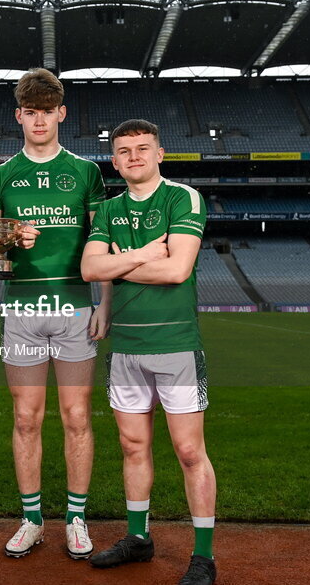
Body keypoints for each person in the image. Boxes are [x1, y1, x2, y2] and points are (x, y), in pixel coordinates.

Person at [0, 68, 110, 559]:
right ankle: (31, 518)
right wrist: (12, 234)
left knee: (77, 415)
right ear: (19, 115)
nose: (38, 120)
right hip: (22, 311)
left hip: (75, 308)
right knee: (27, 417)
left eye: (46, 112)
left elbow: (103, 244)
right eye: (29, 112)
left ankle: (76, 518)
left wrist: (104, 303)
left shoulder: (86, 172)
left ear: (62, 114)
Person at [80, 119, 217, 585]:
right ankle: (139, 539)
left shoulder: (182, 197)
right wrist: (142, 256)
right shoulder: (108, 209)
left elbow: (177, 270)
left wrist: (118, 263)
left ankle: (203, 556)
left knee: (188, 450)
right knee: (132, 445)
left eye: (143, 148)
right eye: (124, 150)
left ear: (160, 153)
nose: (134, 156)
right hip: (127, 350)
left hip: (175, 345)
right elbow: (87, 267)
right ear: (114, 161)